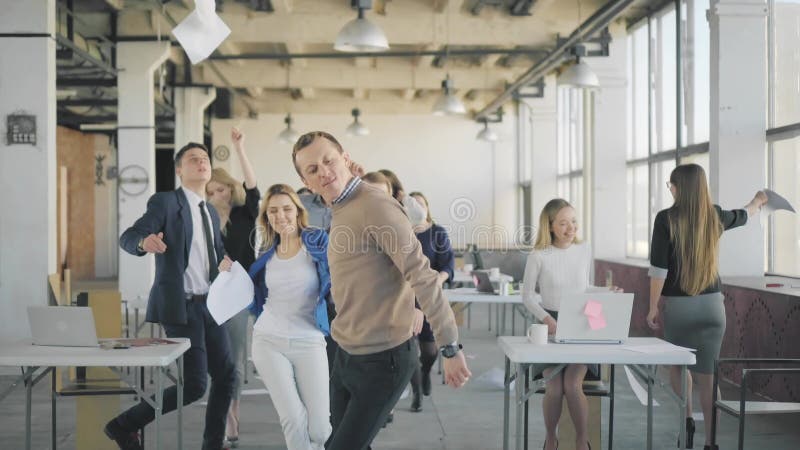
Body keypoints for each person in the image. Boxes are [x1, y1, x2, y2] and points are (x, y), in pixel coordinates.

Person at [292, 131, 471, 450]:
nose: (324, 171)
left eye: (329, 160)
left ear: (345, 158)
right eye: (313, 169)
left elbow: (422, 275)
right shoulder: (343, 206)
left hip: (383, 358)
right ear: (307, 183)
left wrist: (449, 346)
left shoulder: (375, 205)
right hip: (346, 353)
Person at [108, 142, 235, 450]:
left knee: (228, 376)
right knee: (194, 385)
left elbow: (213, 256)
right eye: (193, 159)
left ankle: (213, 445)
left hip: (211, 306)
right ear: (180, 169)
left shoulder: (211, 213)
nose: (202, 163)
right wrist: (143, 243)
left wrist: (226, 262)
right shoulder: (165, 202)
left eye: (205, 159)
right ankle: (123, 425)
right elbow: (129, 237)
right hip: (182, 307)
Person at [646, 164, 767, 450]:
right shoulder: (714, 215)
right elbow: (746, 214)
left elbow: (659, 270)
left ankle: (686, 421)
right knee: (708, 376)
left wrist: (652, 307)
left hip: (679, 307)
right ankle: (711, 442)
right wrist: (759, 200)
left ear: (679, 188)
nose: (670, 189)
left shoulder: (666, 219)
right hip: (713, 308)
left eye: (671, 185)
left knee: (679, 366)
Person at [220, 184, 333, 450]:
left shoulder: (316, 242)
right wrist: (231, 273)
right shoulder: (266, 254)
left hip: (310, 340)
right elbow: (250, 292)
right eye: (273, 211)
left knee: (319, 429)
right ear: (266, 217)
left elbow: (340, 275)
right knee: (293, 418)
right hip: (269, 341)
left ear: (297, 211)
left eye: (286, 209)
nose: (280, 215)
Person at [521, 198, 620, 450]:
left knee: (572, 385)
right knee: (554, 387)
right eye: (563, 223)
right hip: (549, 323)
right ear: (550, 226)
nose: (571, 228)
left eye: (574, 221)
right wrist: (547, 319)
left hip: (581, 320)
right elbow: (528, 296)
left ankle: (581, 440)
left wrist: (607, 292)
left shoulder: (584, 249)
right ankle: (551, 439)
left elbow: (584, 287)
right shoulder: (538, 255)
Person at [205, 127, 260, 448]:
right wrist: (215, 266)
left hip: (239, 295)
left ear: (230, 189)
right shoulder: (203, 219)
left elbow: (253, 188)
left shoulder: (245, 215)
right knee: (217, 357)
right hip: (211, 295)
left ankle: (233, 411)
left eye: (221, 189)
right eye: (210, 191)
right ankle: (225, 411)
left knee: (236, 357)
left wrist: (240, 148)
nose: (216, 196)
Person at [407, 191, 454, 412]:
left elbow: (448, 265)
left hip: (429, 297)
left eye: (421, 204)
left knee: (430, 351)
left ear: (427, 207)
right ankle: (417, 393)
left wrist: (439, 279)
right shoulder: (401, 232)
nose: (416, 207)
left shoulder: (437, 233)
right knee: (409, 350)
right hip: (405, 298)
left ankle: (425, 372)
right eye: (412, 204)